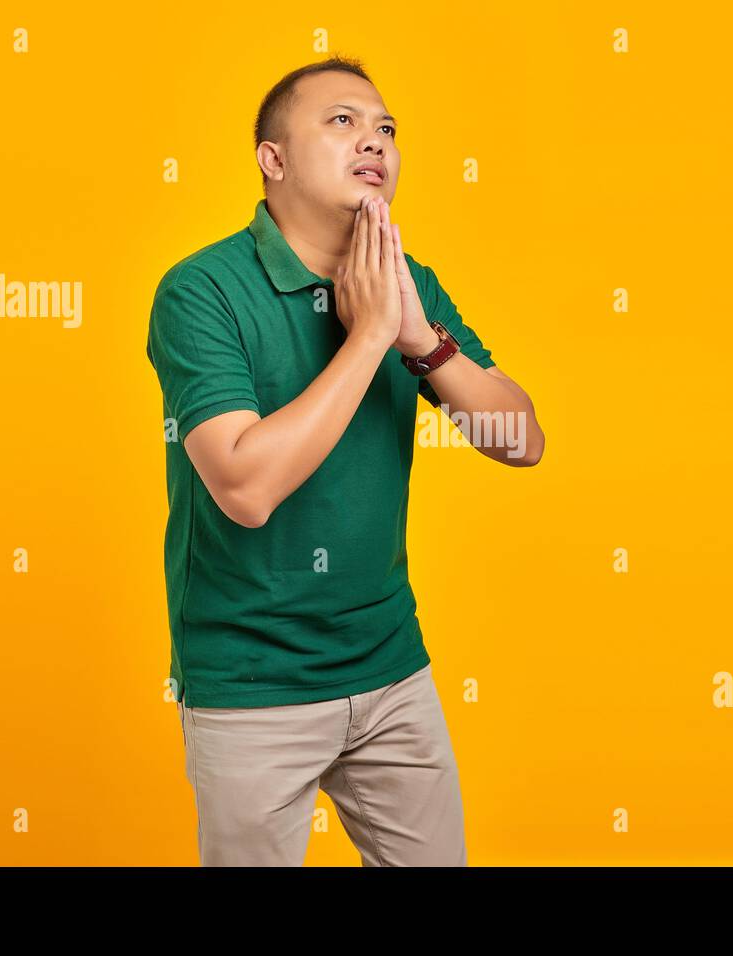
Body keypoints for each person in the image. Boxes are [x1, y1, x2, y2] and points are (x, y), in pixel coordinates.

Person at [145, 54, 545, 866]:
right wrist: (368, 337)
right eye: (343, 121)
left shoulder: (410, 284)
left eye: (387, 128)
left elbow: (521, 443)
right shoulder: (201, 290)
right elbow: (246, 489)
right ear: (274, 158)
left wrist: (422, 341)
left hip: (393, 670)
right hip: (253, 685)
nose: (375, 141)